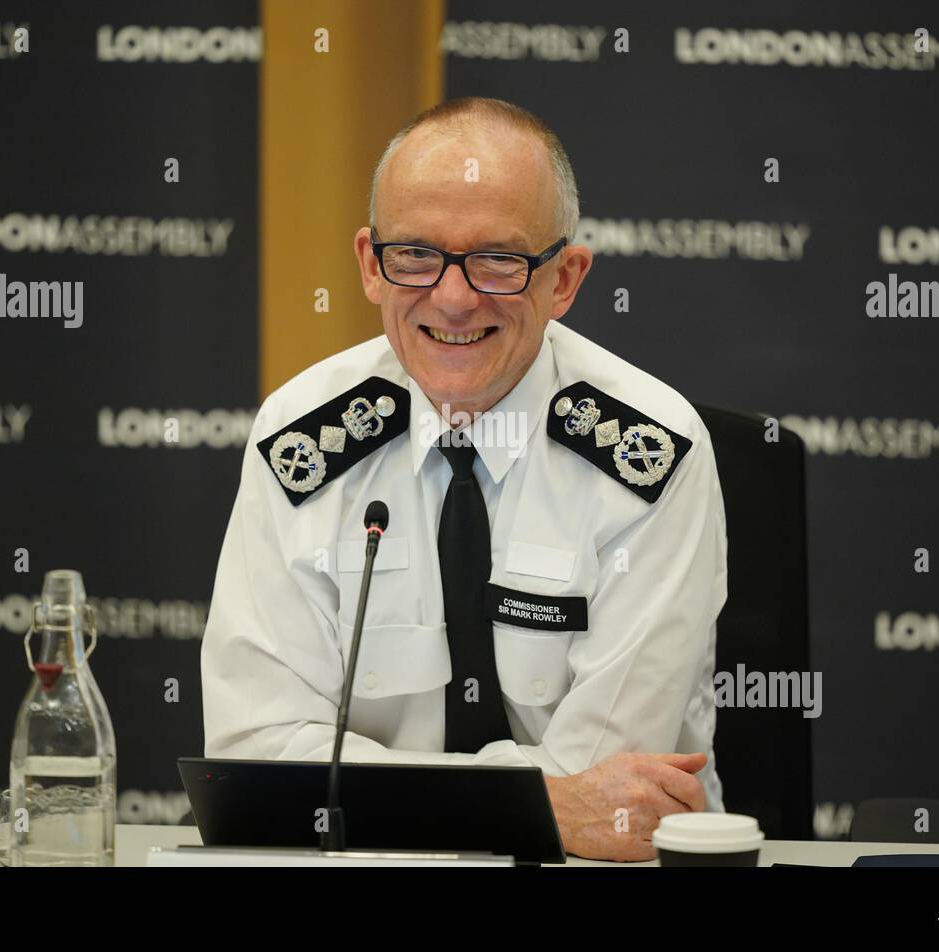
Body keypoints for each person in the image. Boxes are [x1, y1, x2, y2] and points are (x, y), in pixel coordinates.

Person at [201, 96, 728, 862]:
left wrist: (384, 800)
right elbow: (256, 751)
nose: (452, 297)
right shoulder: (300, 440)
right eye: (415, 254)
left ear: (566, 279)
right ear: (368, 266)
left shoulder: (652, 452)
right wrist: (540, 804)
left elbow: (610, 792)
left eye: (498, 260)